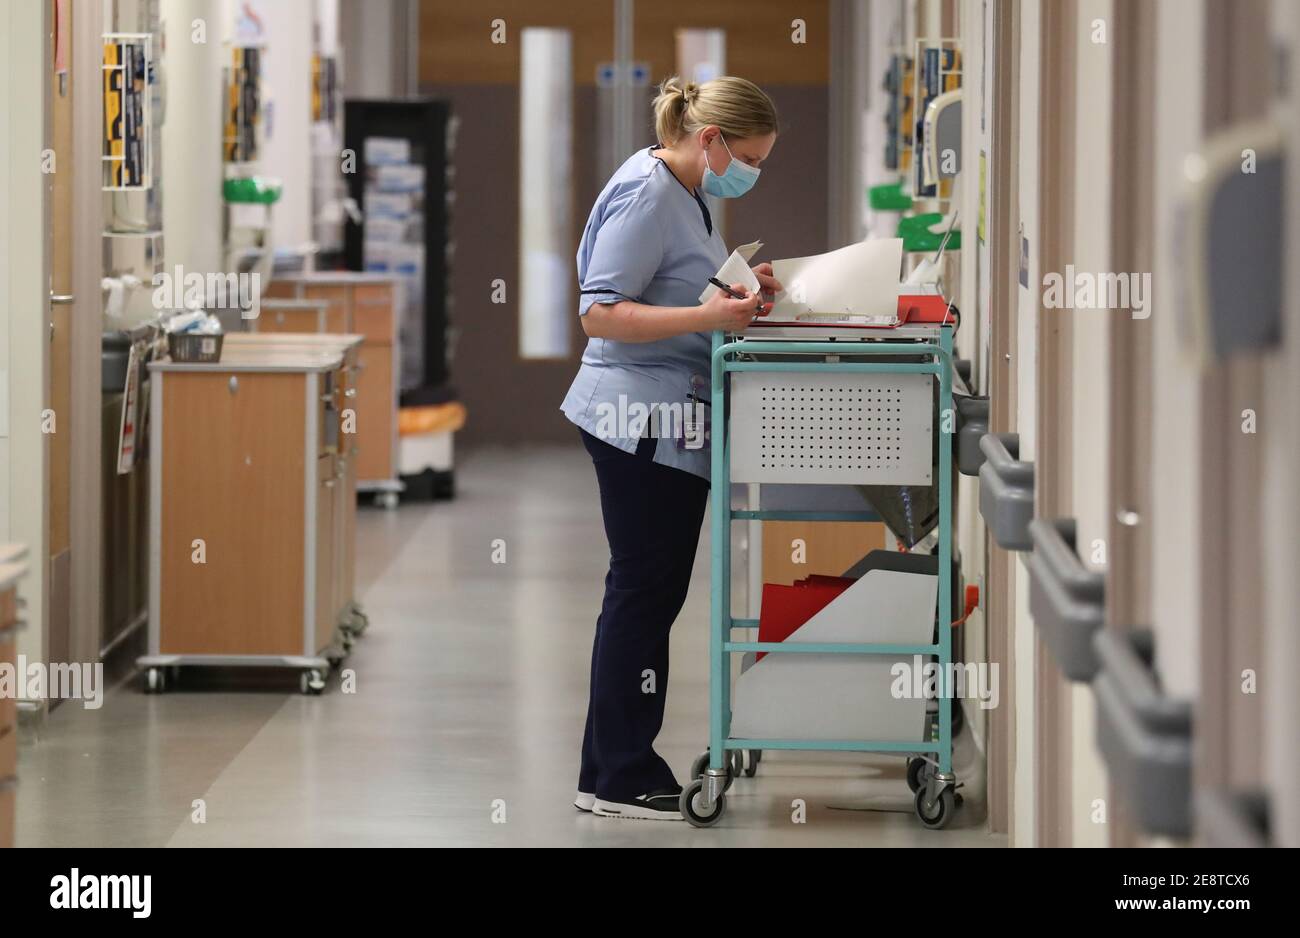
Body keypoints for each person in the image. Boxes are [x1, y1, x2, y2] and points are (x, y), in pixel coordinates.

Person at [560, 75, 781, 820]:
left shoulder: (685, 190)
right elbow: (600, 312)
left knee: (647, 593)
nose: (750, 173)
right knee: (642, 593)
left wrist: (738, 292)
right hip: (638, 419)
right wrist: (707, 315)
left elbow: (679, 291)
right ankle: (620, 774)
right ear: (710, 139)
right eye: (747, 157)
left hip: (665, 417)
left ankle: (608, 768)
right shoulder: (651, 193)